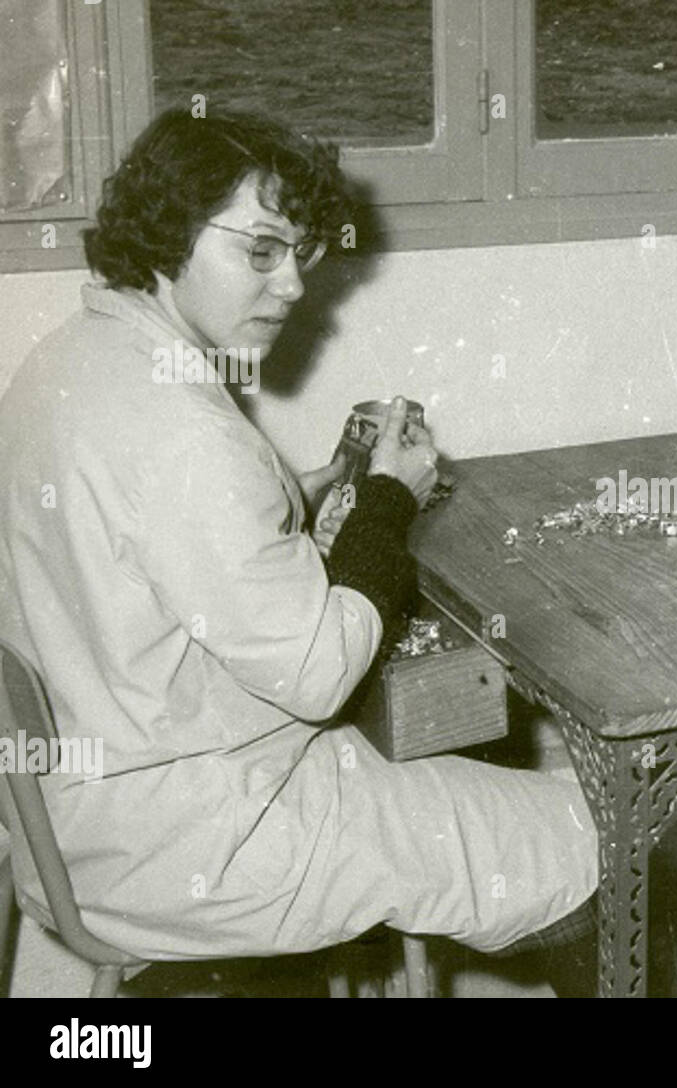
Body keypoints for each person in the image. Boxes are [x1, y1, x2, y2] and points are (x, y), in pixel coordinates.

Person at [0, 108, 598, 995]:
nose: (290, 289)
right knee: (585, 840)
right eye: (260, 252)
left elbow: (162, 541)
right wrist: (388, 499)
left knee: (456, 792)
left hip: (76, 802)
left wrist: (308, 488)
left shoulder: (72, 358)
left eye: (300, 258)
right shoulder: (184, 431)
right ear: (171, 230)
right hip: (195, 834)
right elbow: (321, 674)